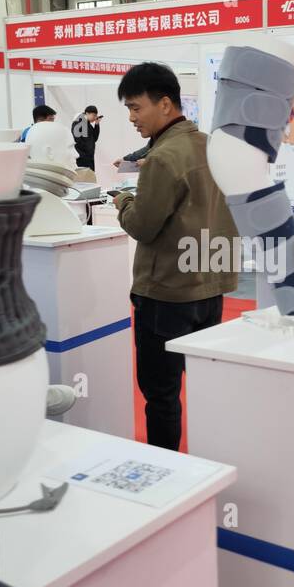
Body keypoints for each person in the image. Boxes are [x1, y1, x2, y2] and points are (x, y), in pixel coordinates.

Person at [112, 63, 238, 450]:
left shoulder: (164, 158)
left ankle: (165, 475)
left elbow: (143, 226)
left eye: (136, 108)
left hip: (166, 293)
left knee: (161, 394)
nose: (132, 118)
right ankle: (207, 462)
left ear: (165, 104)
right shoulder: (211, 146)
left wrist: (124, 201)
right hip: (209, 287)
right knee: (202, 387)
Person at [70, 105, 101, 170]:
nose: (95, 117)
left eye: (96, 116)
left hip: (89, 157)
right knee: (84, 178)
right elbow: (77, 140)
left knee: (89, 177)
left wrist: (97, 124)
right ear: (87, 113)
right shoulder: (79, 123)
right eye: (94, 115)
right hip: (82, 158)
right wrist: (87, 151)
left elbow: (94, 138)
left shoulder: (87, 124)